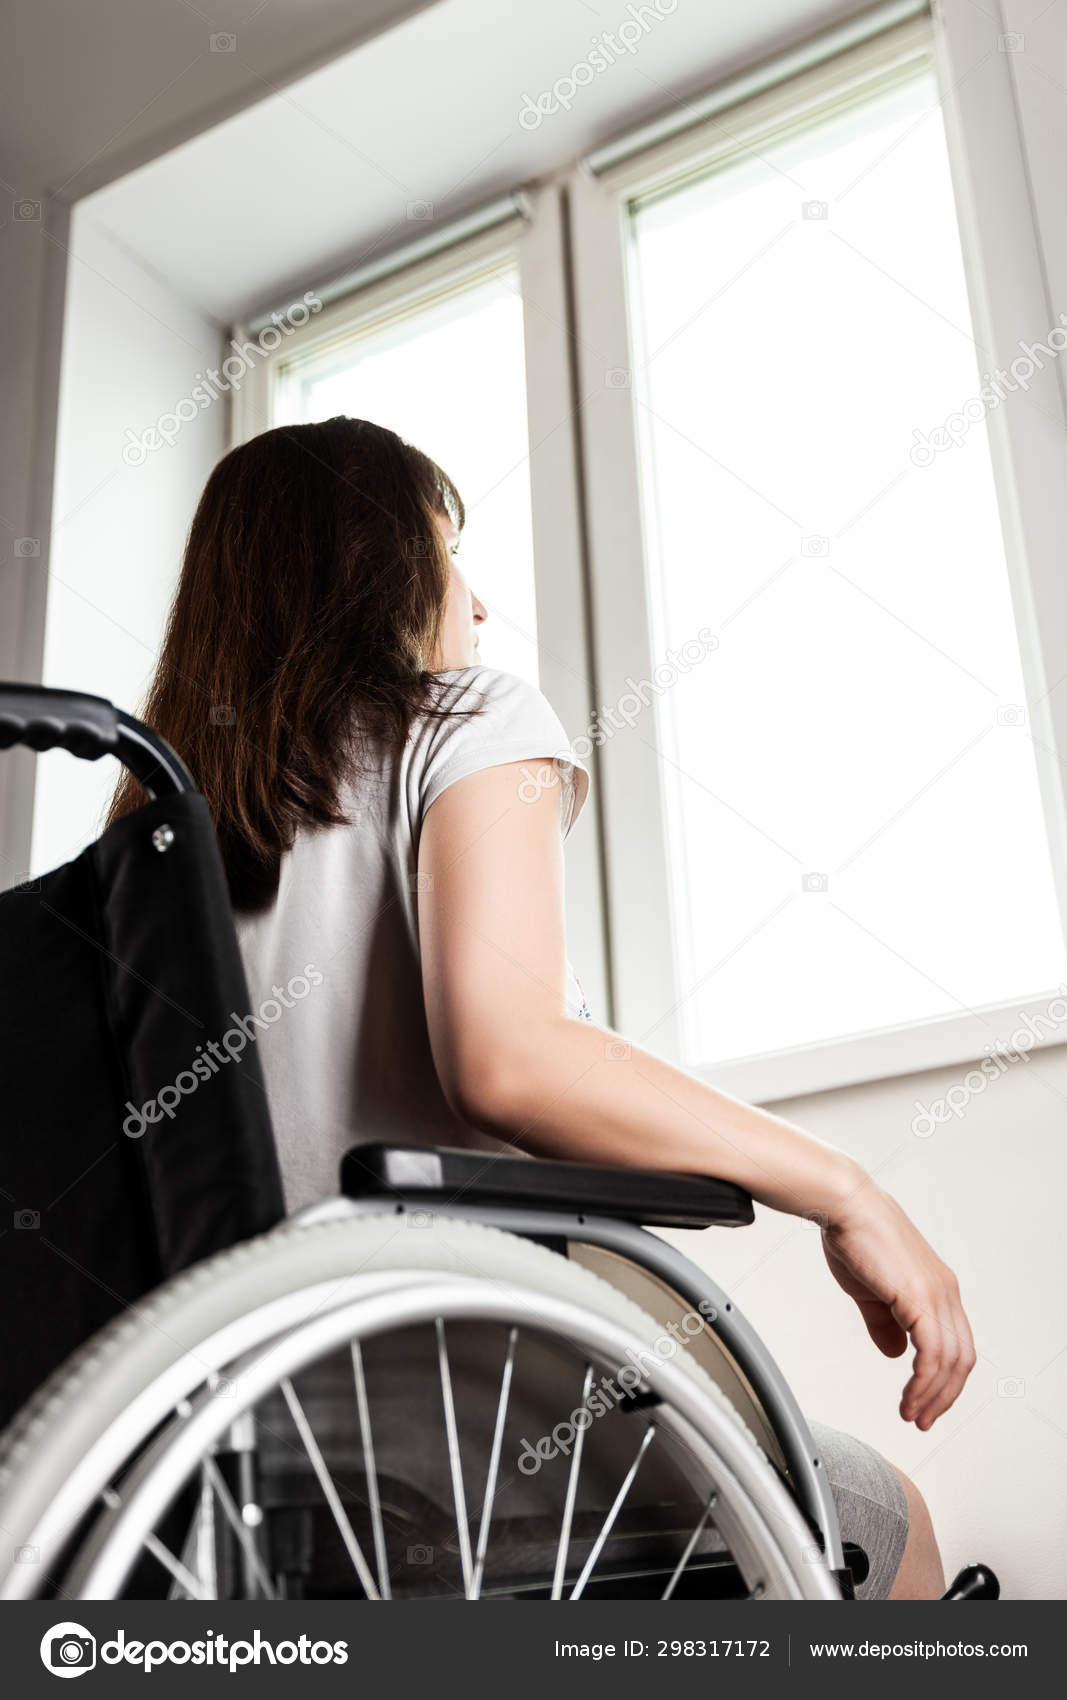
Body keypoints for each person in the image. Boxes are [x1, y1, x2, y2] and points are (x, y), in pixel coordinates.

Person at [110, 416, 976, 1599]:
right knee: (893, 1518)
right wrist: (842, 1185)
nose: (478, 603)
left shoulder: (138, 854)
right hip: (459, 1440)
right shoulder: (464, 720)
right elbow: (511, 1061)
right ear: (381, 572)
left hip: (206, 1468)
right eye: (447, 551)